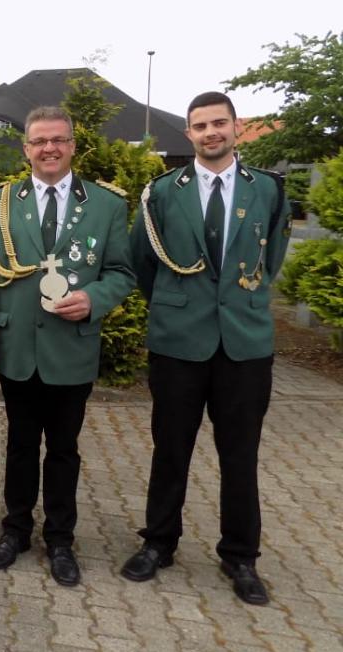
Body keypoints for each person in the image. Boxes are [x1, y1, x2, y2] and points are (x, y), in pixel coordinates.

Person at [120, 92, 290, 605]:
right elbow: (141, 259)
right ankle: (159, 543)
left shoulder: (269, 190)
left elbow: (271, 258)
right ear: (188, 134)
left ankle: (240, 555)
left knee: (240, 455)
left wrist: (232, 304)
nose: (210, 132)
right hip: (178, 341)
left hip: (244, 343)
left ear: (236, 127)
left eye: (219, 123)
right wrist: (177, 303)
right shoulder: (163, 192)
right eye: (200, 125)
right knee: (171, 449)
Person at [0, 106, 134, 587]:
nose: (49, 149)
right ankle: (15, 530)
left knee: (63, 449)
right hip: (17, 346)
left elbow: (122, 273)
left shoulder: (105, 205)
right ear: (26, 149)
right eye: (39, 141)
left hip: (72, 348)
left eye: (58, 140)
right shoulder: (0, 202)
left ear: (73, 145)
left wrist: (93, 299)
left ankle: (60, 539)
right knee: (20, 445)